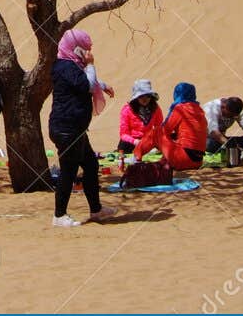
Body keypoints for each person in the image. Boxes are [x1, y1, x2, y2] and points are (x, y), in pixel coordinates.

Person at [49, 29, 116, 226]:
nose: (88, 52)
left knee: (91, 165)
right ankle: (59, 216)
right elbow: (85, 84)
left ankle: (96, 210)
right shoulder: (65, 66)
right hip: (66, 129)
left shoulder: (71, 66)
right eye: (85, 49)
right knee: (68, 171)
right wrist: (91, 64)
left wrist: (102, 85)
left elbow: (84, 81)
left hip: (75, 129)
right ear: (76, 48)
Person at [135, 81, 208, 171]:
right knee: (174, 140)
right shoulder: (200, 110)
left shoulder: (180, 109)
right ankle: (163, 161)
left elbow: (164, 130)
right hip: (198, 161)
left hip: (183, 159)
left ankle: (136, 156)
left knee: (156, 132)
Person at [117, 79, 164, 156]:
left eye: (148, 96)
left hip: (148, 142)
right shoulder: (127, 109)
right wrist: (135, 142)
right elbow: (123, 134)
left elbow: (159, 128)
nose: (145, 99)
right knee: (124, 145)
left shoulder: (155, 108)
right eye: (141, 96)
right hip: (131, 143)